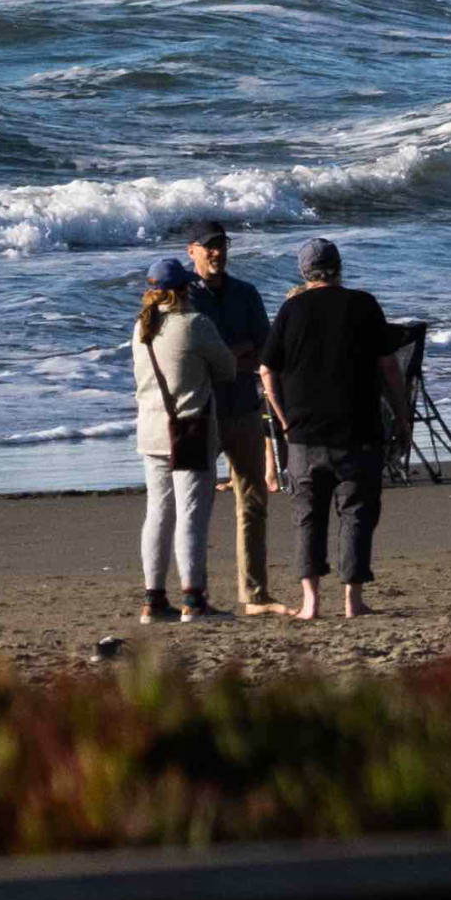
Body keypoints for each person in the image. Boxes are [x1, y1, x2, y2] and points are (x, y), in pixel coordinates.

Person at [261, 240, 406, 618]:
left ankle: (311, 602)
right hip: (357, 428)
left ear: (303, 272)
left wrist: (283, 417)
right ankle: (352, 600)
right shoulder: (363, 304)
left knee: (307, 515)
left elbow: (267, 370)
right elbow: (389, 366)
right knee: (356, 512)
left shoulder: (291, 309)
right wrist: (402, 414)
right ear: (339, 268)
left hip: (304, 432)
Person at [130, 254, 234, 623]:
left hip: (151, 430)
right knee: (190, 514)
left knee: (158, 514)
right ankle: (193, 599)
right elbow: (227, 368)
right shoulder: (194, 324)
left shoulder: (141, 328)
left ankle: (154, 599)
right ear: (182, 291)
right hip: (189, 428)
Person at [182, 219, 275, 611]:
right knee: (190, 504)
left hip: (242, 407)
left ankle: (254, 593)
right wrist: (233, 355)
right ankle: (193, 595)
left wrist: (222, 358)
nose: (217, 252)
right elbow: (185, 357)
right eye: (209, 246)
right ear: (192, 251)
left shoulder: (246, 293)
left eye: (221, 245)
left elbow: (264, 350)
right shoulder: (182, 295)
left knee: (253, 500)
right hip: (194, 412)